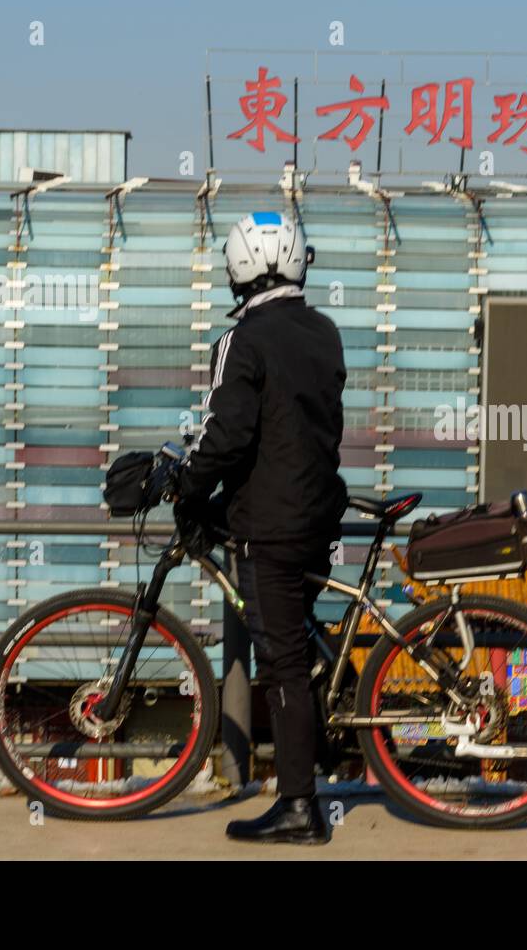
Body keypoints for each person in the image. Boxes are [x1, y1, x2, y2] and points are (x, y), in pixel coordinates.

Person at [175, 209, 347, 845]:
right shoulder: (324, 332)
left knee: (280, 662)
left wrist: (186, 485)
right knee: (296, 644)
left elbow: (227, 438)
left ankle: (302, 808)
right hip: (317, 514)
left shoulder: (240, 342)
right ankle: (325, 735)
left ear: (239, 268)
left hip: (271, 527)